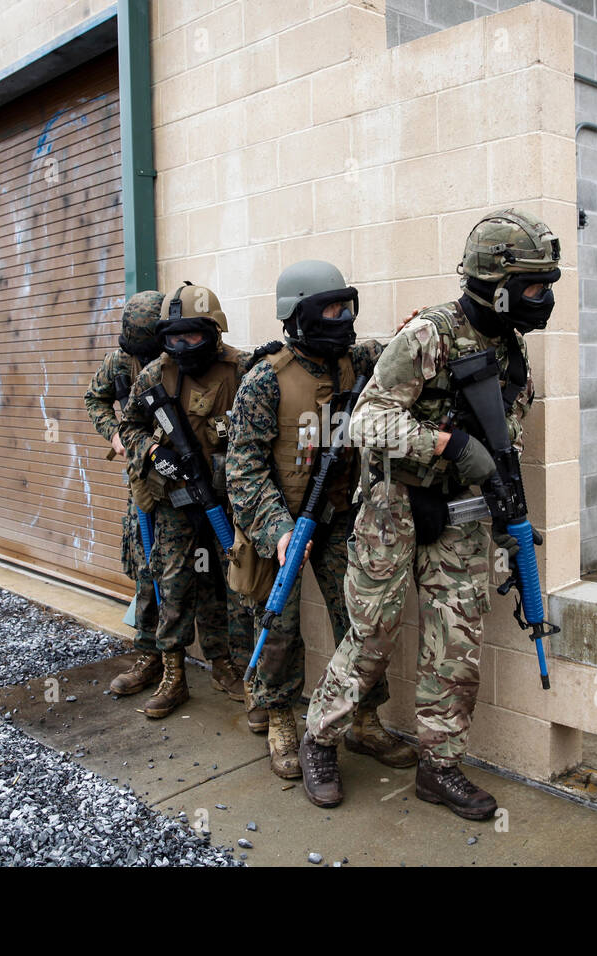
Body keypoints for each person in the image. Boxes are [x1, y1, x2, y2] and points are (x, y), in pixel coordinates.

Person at [300, 209, 560, 820]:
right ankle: (321, 740)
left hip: (464, 517)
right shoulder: (428, 335)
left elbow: (505, 443)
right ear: (494, 283)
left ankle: (439, 767)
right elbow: (365, 422)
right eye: (531, 286)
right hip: (393, 508)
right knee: (371, 636)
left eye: (547, 285)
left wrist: (505, 508)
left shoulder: (513, 351)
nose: (542, 298)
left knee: (455, 645)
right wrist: (444, 445)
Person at [226, 260, 415, 780]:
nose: (343, 316)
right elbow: (242, 472)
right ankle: (282, 717)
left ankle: (364, 719)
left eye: (346, 306)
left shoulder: (359, 361)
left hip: (339, 517)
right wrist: (277, 531)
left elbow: (405, 350)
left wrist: (419, 329)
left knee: (359, 621)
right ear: (299, 315)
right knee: (279, 628)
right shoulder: (265, 381)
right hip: (278, 525)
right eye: (330, 308)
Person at [116, 283, 253, 717]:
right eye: (172, 337)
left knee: (235, 587)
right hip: (176, 499)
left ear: (212, 331)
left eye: (190, 336)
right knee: (171, 582)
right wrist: (155, 453)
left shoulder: (243, 369)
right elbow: (131, 427)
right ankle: (172, 673)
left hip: (229, 505)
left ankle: (231, 666)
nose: (180, 346)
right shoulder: (156, 374)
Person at [84, 291, 166, 696]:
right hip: (141, 479)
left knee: (201, 571)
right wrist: (116, 435)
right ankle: (151, 655)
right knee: (146, 567)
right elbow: (94, 398)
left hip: (184, 479)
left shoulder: (180, 353)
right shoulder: (119, 362)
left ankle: (218, 660)